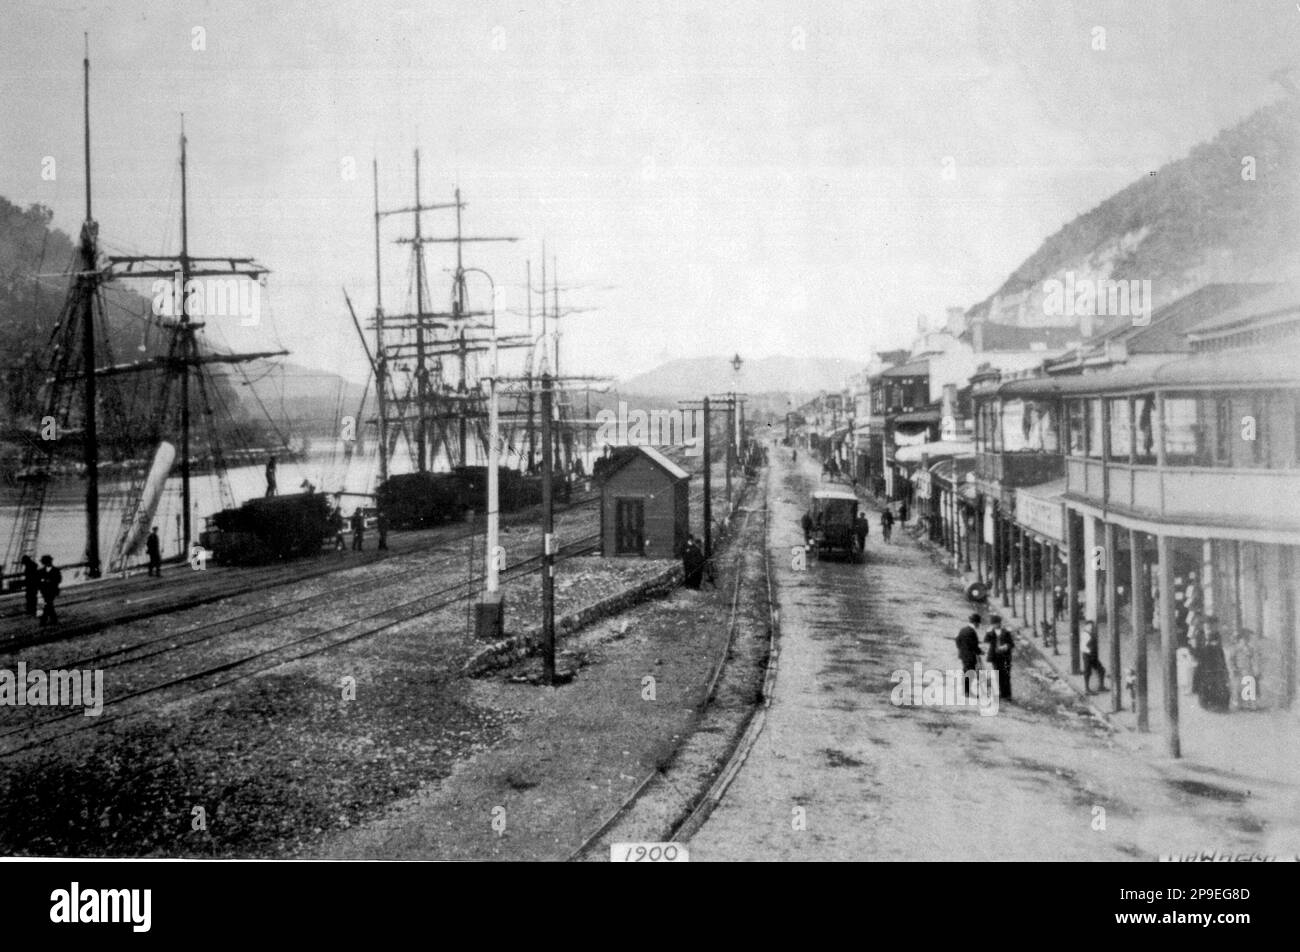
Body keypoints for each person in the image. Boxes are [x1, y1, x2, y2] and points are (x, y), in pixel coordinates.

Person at [1196, 626, 1231, 712]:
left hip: (1217, 672)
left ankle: (1220, 705)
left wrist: (1225, 671)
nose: (1215, 643)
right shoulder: (1207, 649)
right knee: (1211, 688)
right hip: (1209, 672)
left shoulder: (1218, 649)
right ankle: (1210, 705)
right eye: (1214, 641)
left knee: (1219, 688)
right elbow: (1202, 661)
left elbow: (1222, 661)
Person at [1228, 628, 1261, 711]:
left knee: (1249, 686)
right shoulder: (1235, 649)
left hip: (1248, 670)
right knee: (1238, 687)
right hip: (1239, 670)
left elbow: (1254, 659)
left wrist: (1255, 668)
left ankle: (1249, 704)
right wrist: (1233, 668)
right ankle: (1238, 703)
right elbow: (1231, 659)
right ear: (1239, 640)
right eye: (1244, 639)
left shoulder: (1250, 649)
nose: (1246, 641)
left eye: (1247, 639)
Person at [984, 614, 1014, 700]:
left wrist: (1005, 646)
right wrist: (988, 632)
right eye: (992, 624)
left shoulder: (1006, 632)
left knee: (1006, 675)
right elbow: (986, 641)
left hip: (1005, 657)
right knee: (998, 675)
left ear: (999, 623)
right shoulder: (990, 632)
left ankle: (1007, 694)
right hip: (995, 657)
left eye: (995, 623)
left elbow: (1011, 644)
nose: (994, 625)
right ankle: (1001, 692)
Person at [955, 613, 983, 699]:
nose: (979, 625)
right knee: (969, 672)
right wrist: (980, 651)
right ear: (975, 623)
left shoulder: (963, 629)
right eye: (978, 623)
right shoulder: (972, 632)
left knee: (966, 671)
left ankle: (966, 691)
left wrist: (962, 649)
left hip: (963, 655)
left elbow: (957, 641)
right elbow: (974, 645)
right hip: (970, 656)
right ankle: (967, 692)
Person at [1082, 620, 1108, 694]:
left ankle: (1101, 686)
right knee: (1087, 672)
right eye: (1089, 626)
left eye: (1092, 626)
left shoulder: (1091, 634)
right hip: (1088, 656)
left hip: (1093, 656)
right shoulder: (1085, 635)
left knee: (1102, 670)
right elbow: (1083, 647)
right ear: (1086, 626)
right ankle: (1087, 689)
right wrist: (1090, 652)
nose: (1091, 627)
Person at [37, 555, 61, 627]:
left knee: (47, 604)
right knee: (49, 605)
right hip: (44, 591)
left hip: (52, 590)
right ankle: (54, 619)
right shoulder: (41, 571)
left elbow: (58, 580)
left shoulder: (56, 570)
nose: (46, 564)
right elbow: (38, 581)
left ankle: (43, 621)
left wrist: (49, 581)